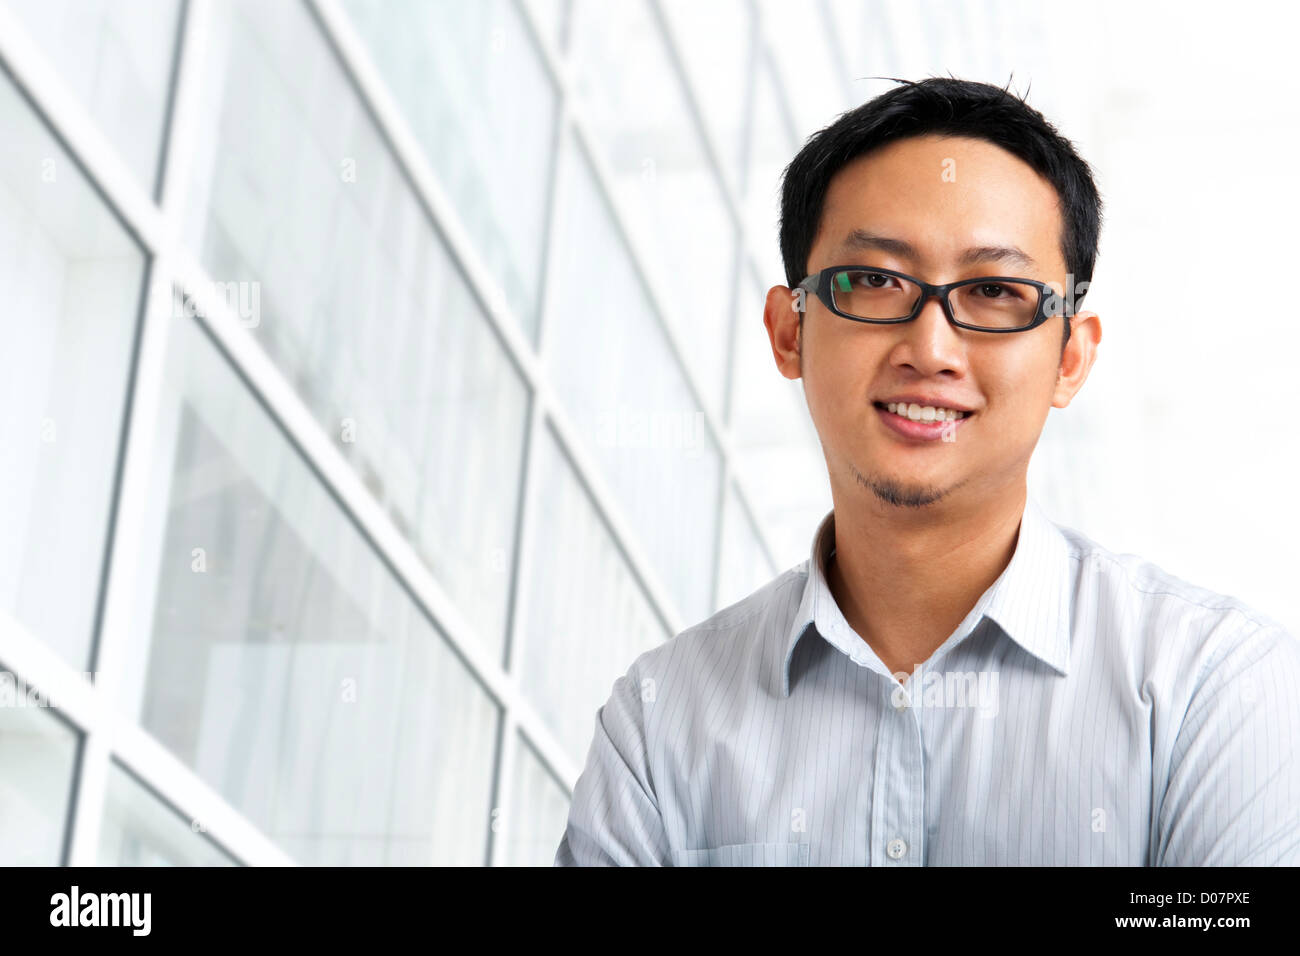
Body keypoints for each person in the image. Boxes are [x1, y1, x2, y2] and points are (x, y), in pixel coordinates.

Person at [553, 77, 1300, 866]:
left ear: (1070, 359)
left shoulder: (1212, 693)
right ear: (788, 332)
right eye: (874, 280)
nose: (931, 349)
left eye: (994, 292)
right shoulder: (662, 724)